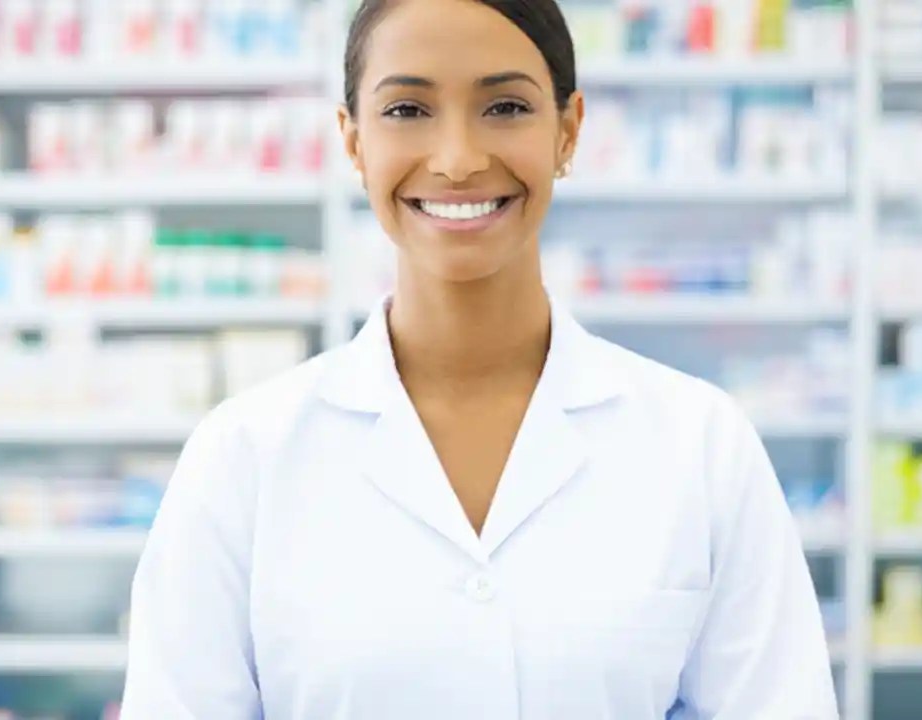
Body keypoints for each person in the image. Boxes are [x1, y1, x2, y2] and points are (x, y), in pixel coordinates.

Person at [120, 0, 838, 717]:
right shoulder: (242, 456)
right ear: (353, 141)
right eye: (406, 109)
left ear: (569, 129)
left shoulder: (700, 444)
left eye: (505, 107)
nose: (459, 160)